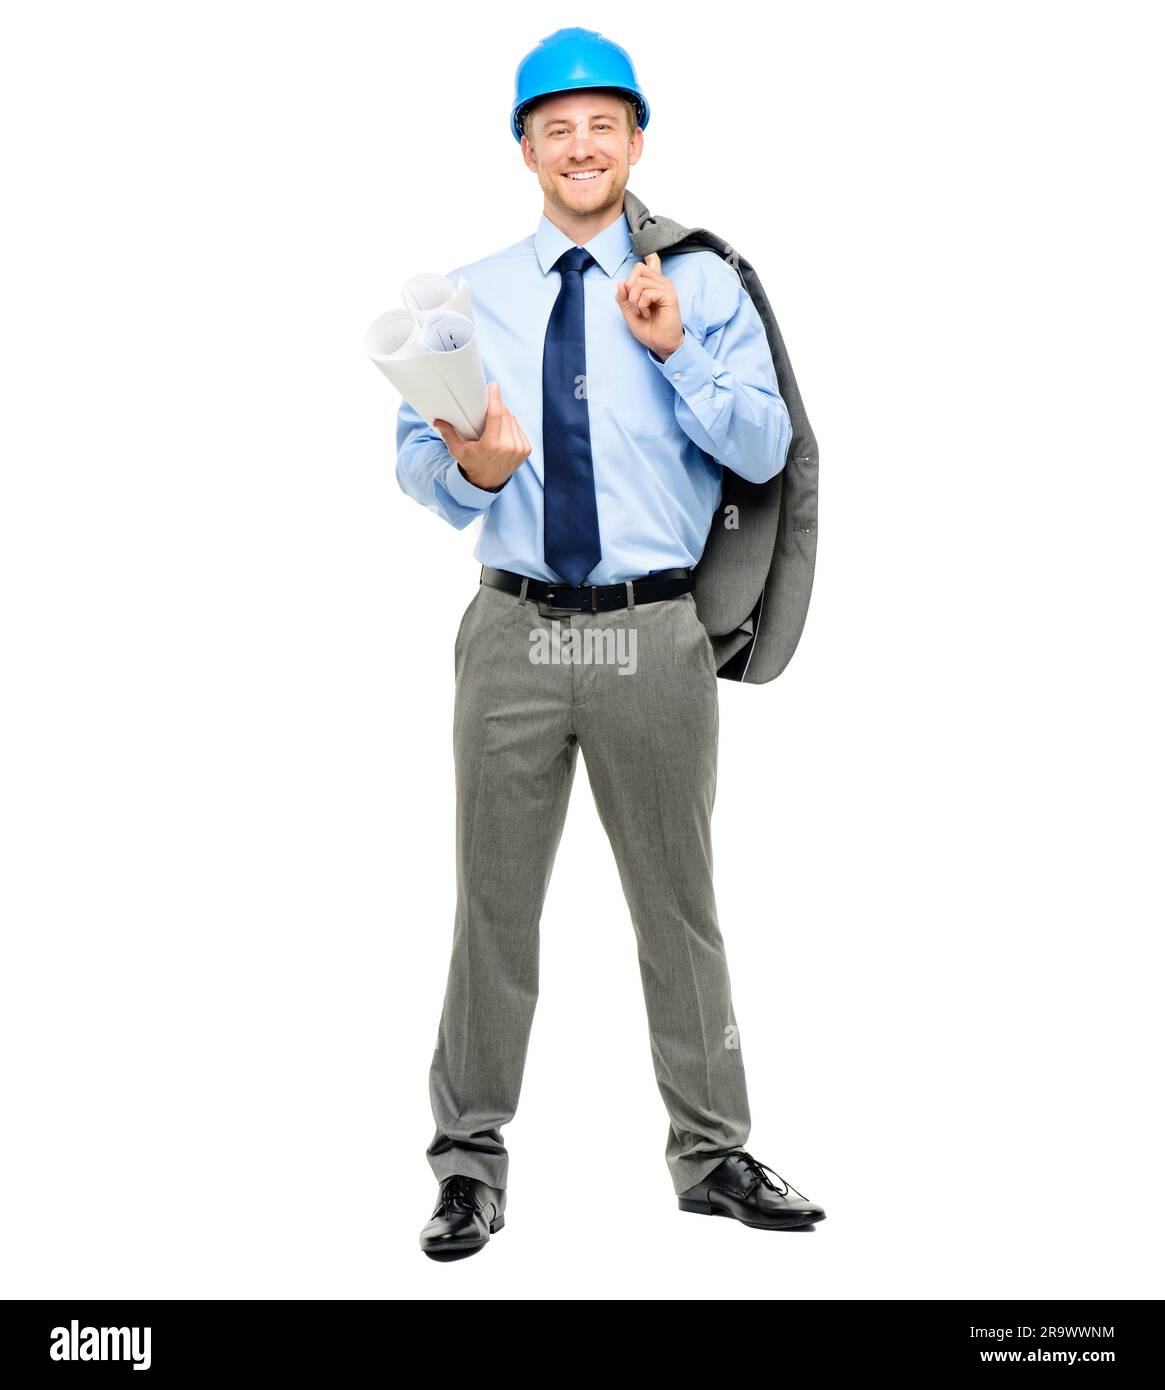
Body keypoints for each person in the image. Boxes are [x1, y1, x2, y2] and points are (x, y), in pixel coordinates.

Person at [395, 26, 826, 1261]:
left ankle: (713, 1151)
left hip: (651, 634)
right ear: (524, 148)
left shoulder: (700, 284)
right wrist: (469, 469)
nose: (580, 147)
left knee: (678, 905)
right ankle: (468, 1163)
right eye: (554, 127)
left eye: (603, 126)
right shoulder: (468, 295)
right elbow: (419, 457)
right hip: (516, 633)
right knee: (493, 907)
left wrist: (674, 349)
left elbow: (762, 450)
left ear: (636, 141)